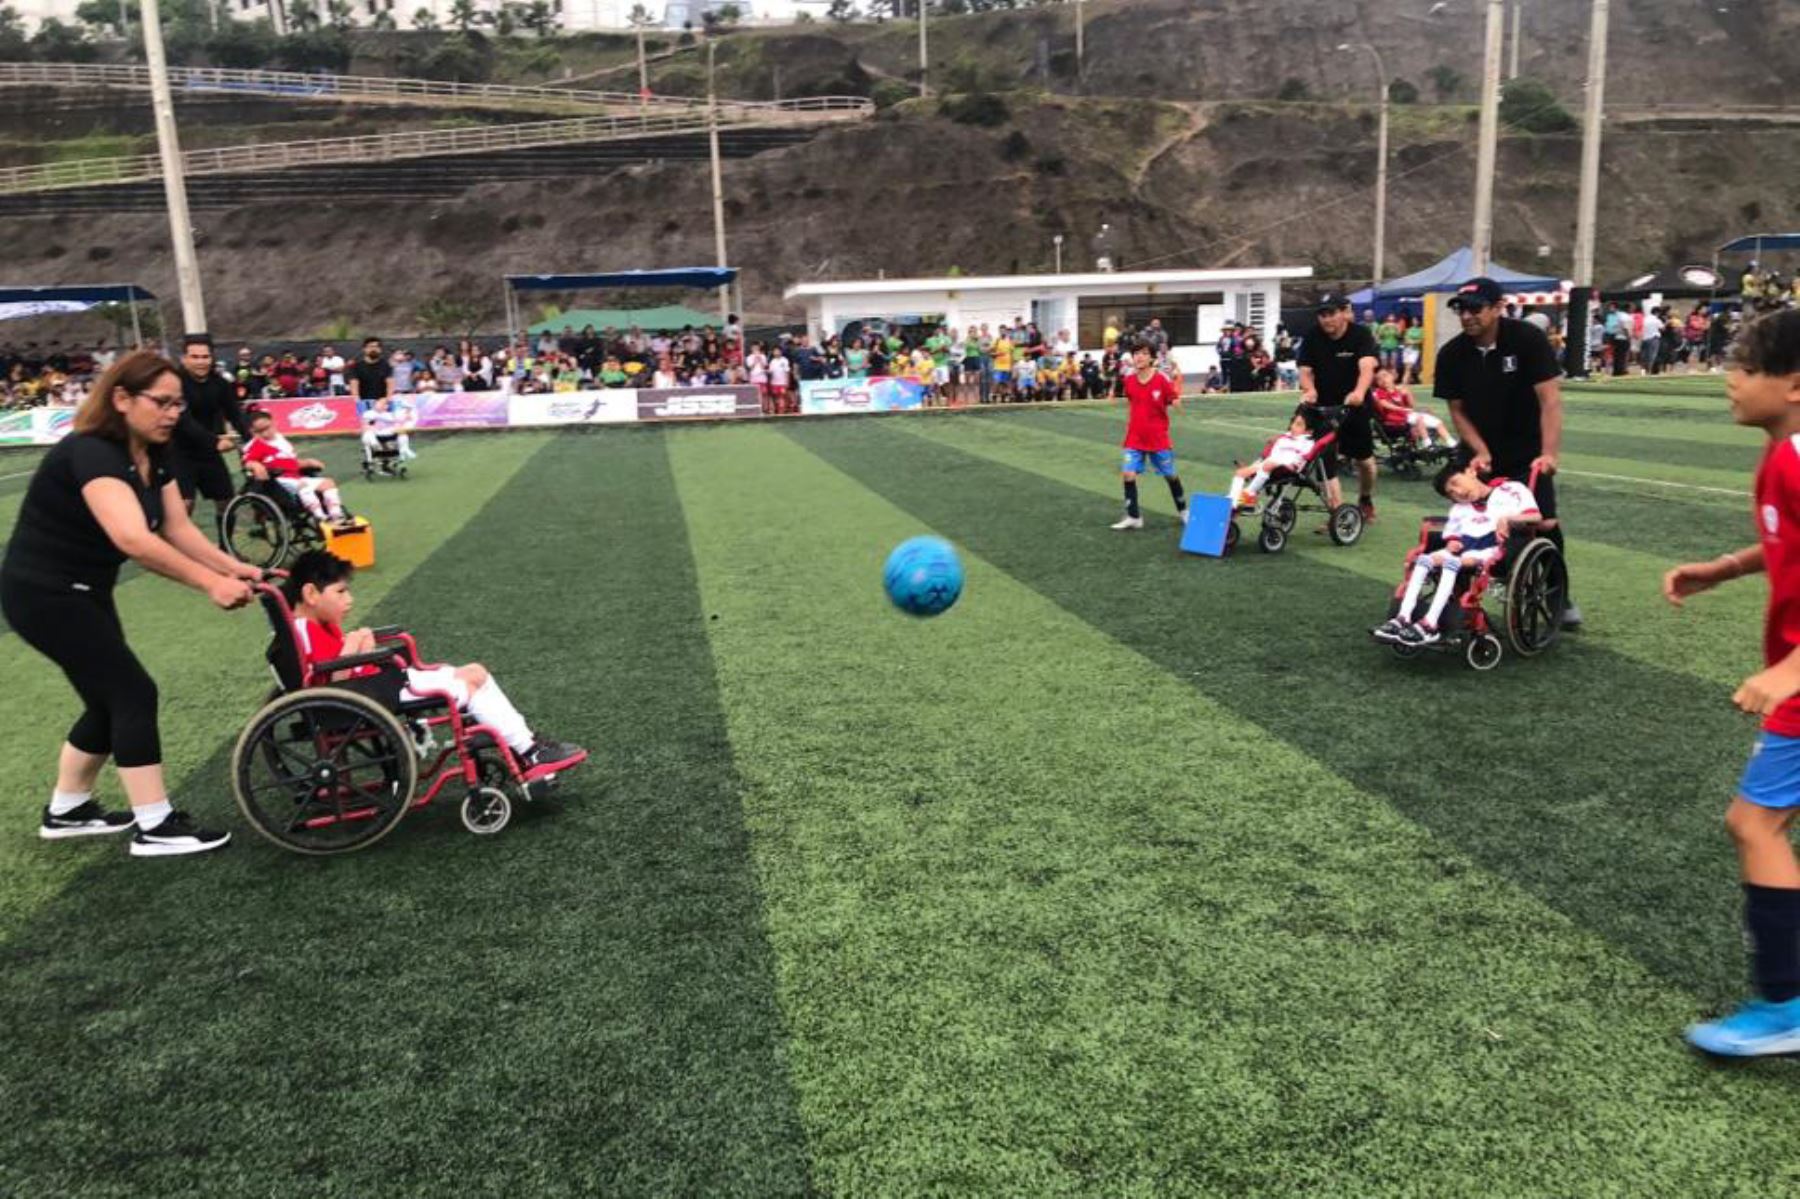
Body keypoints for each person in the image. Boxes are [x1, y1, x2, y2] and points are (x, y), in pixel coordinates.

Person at [2, 351, 259, 855]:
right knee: (133, 693)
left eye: (179, 404)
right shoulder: (93, 452)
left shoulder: (152, 453)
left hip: (82, 590)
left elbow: (177, 527)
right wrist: (210, 584)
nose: (172, 414)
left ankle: (68, 810)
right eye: (161, 402)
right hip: (42, 592)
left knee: (107, 699)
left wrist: (236, 567)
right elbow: (133, 539)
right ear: (121, 398)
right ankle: (156, 825)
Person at [1662, 310, 1800, 1056]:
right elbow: (1789, 537)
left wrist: (1788, 670)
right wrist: (1726, 568)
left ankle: (1784, 1006)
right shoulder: (1782, 456)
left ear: (1795, 384)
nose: (1730, 377)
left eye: (1746, 365)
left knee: (1755, 824)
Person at [283, 550, 585, 778]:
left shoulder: (320, 626)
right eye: (340, 592)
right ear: (310, 594)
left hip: (380, 685)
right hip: (373, 695)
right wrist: (355, 642)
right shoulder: (304, 631)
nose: (349, 600)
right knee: (470, 682)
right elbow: (333, 679)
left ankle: (526, 745)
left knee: (475, 671)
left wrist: (359, 641)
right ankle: (529, 752)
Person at [1432, 276, 1581, 627]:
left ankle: (1557, 591)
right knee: (1465, 511)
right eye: (1461, 309)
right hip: (1480, 448)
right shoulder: (1452, 354)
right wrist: (1479, 450)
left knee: (1543, 522)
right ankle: (1457, 585)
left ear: (1499, 307)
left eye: (1475, 309)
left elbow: (1550, 400)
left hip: (1526, 447)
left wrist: (1549, 453)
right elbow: (1457, 410)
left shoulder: (1527, 340)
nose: (1467, 316)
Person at [1372, 457, 1541, 646]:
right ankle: (1402, 618)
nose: (1458, 492)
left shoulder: (1512, 489)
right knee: (1423, 560)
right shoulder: (1459, 509)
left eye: (1455, 483)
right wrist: (1453, 542)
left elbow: (1535, 516)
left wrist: (1509, 518)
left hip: (1494, 550)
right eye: (1451, 493)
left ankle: (1429, 624)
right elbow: (1452, 533)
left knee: (1451, 563)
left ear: (1471, 471)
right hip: (1464, 549)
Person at [1298, 295, 1380, 521]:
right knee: (1324, 460)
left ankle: (1365, 498)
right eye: (1322, 315)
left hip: (1354, 407)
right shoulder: (1313, 336)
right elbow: (1305, 370)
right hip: (1324, 408)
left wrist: (1359, 393)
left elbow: (1366, 367)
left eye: (1331, 313)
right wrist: (1309, 390)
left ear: (1344, 312)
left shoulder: (1360, 335)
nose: (1326, 320)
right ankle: (1339, 514)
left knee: (1364, 462)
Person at [171, 334, 251, 529]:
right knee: (184, 505)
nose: (201, 362)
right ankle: (177, 554)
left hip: (208, 453)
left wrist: (252, 441)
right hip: (178, 452)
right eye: (195, 357)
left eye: (205, 357)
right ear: (184, 359)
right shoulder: (175, 384)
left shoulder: (220, 384)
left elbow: (235, 414)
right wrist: (215, 442)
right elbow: (184, 421)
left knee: (226, 502)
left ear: (212, 358)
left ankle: (227, 549)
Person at [1111, 343, 1189, 530]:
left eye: (1144, 354)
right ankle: (1134, 517)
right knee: (1128, 474)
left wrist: (1178, 403)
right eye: (1136, 353)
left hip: (1158, 439)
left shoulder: (1162, 380)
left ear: (1151, 358)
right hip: (1134, 438)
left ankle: (1184, 511)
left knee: (1170, 476)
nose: (1139, 357)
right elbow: (1134, 402)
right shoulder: (1129, 381)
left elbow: (1174, 400)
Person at [242, 409, 349, 524]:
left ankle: (336, 515)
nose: (265, 433)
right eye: (260, 431)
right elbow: (247, 462)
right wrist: (256, 465)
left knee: (328, 483)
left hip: (296, 477)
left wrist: (308, 462)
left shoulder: (281, 441)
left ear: (274, 423)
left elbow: (292, 462)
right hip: (278, 482)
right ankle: (320, 516)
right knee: (304, 486)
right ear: (253, 431)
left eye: (267, 428)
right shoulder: (256, 445)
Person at [1227, 410, 1316, 508]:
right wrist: (1256, 465)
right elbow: (1273, 453)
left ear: (1309, 431)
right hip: (1271, 463)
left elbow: (1304, 457)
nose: (1293, 427)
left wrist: (1294, 464)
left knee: (1268, 464)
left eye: (1298, 425)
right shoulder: (1284, 437)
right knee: (1240, 473)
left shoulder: (1307, 442)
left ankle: (1249, 495)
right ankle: (1232, 500)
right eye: (1293, 423)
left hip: (1288, 466)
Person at [1372, 367, 1454, 448]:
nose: (1383, 380)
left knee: (1437, 422)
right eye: (1378, 379)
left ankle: (1451, 443)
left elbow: (1411, 405)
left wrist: (1408, 394)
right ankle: (1427, 443)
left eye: (1385, 376)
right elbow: (1384, 403)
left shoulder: (1398, 391)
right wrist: (1402, 409)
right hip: (1394, 420)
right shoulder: (1379, 392)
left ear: (1392, 376)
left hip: (1406, 416)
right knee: (1419, 418)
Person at [362, 394, 415, 464]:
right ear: (375, 404)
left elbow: (402, 420)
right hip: (375, 435)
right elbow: (366, 425)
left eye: (385, 404)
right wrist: (372, 428)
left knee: (402, 431)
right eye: (381, 403)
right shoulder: (369, 413)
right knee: (368, 434)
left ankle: (404, 450)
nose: (383, 405)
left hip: (388, 434)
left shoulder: (389, 415)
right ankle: (375, 451)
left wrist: (408, 411)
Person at [348, 337, 393, 408]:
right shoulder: (356, 366)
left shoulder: (386, 365)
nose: (373, 349)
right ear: (364, 349)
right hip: (363, 402)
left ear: (380, 350)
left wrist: (387, 399)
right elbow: (354, 385)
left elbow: (390, 384)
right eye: (370, 347)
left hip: (382, 403)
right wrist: (358, 402)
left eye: (376, 347)